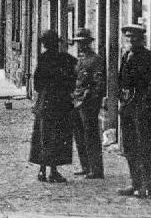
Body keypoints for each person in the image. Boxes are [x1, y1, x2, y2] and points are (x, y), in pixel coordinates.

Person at [118, 23, 151, 199]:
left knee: (145, 147)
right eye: (129, 37)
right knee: (130, 147)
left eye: (135, 38)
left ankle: (148, 187)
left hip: (143, 109)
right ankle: (135, 183)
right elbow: (121, 80)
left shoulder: (150, 58)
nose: (131, 40)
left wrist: (145, 104)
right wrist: (121, 101)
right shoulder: (125, 56)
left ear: (142, 39)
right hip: (128, 108)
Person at [29, 29, 77, 183]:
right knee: (58, 136)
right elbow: (73, 79)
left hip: (46, 102)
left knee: (44, 136)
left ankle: (42, 170)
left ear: (44, 44)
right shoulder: (66, 59)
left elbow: (37, 83)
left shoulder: (43, 59)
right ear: (57, 43)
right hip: (61, 103)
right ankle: (54, 171)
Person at [70, 28, 105, 179]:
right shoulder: (80, 60)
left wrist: (89, 98)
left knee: (91, 135)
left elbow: (98, 84)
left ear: (88, 43)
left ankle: (96, 169)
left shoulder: (96, 60)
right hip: (76, 101)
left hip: (88, 103)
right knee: (79, 135)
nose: (80, 46)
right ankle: (85, 166)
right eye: (78, 43)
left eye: (83, 43)